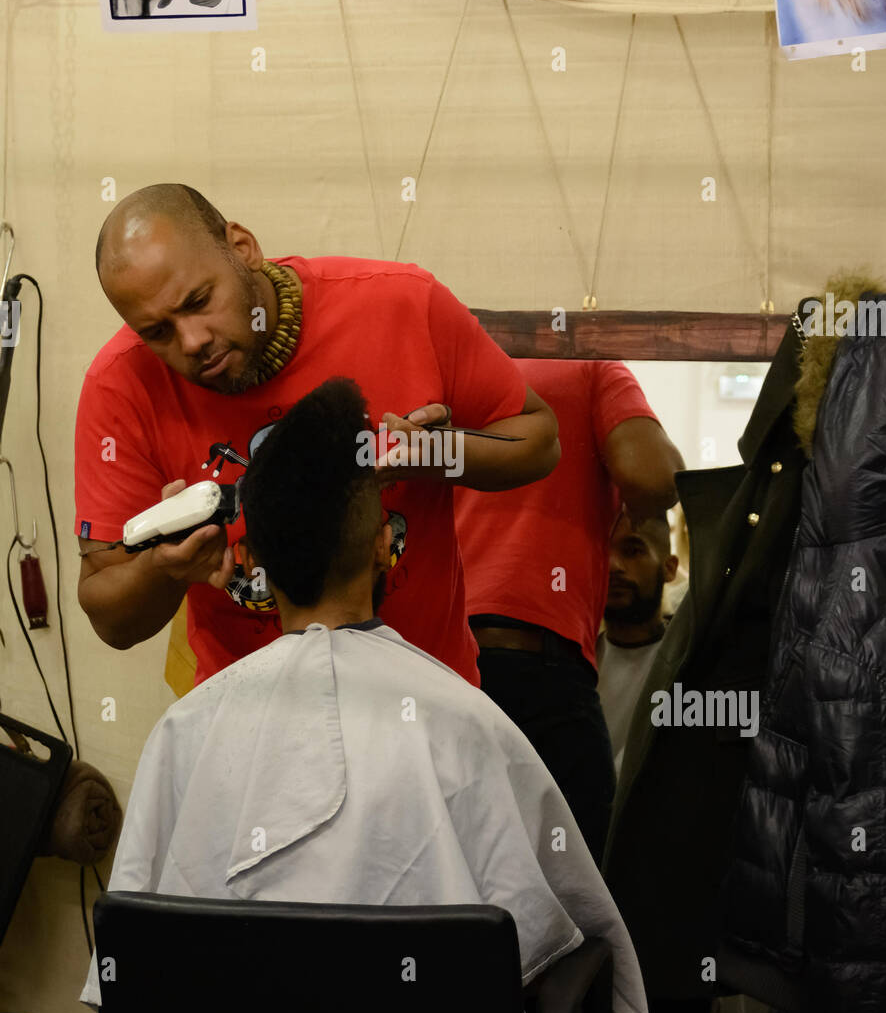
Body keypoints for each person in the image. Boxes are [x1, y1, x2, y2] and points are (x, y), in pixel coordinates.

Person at [78, 378, 656, 1013]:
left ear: (250, 558)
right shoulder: (466, 722)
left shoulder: (184, 733)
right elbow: (572, 941)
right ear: (387, 543)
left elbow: (130, 976)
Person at [74, 184, 559, 691]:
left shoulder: (402, 303)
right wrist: (164, 568)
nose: (192, 342)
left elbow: (539, 440)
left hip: (426, 706)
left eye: (199, 301)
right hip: (255, 724)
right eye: (157, 333)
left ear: (242, 246)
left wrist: (442, 454)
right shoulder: (120, 385)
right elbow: (111, 618)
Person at [455, 359, 681, 863]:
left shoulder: (462, 369)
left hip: (443, 671)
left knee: (460, 881)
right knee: (580, 894)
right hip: (539, 669)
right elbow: (655, 477)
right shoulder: (593, 368)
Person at [597, 510, 678, 779]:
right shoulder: (571, 666)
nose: (613, 566)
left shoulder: (689, 665)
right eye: (600, 552)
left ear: (669, 568)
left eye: (632, 551)